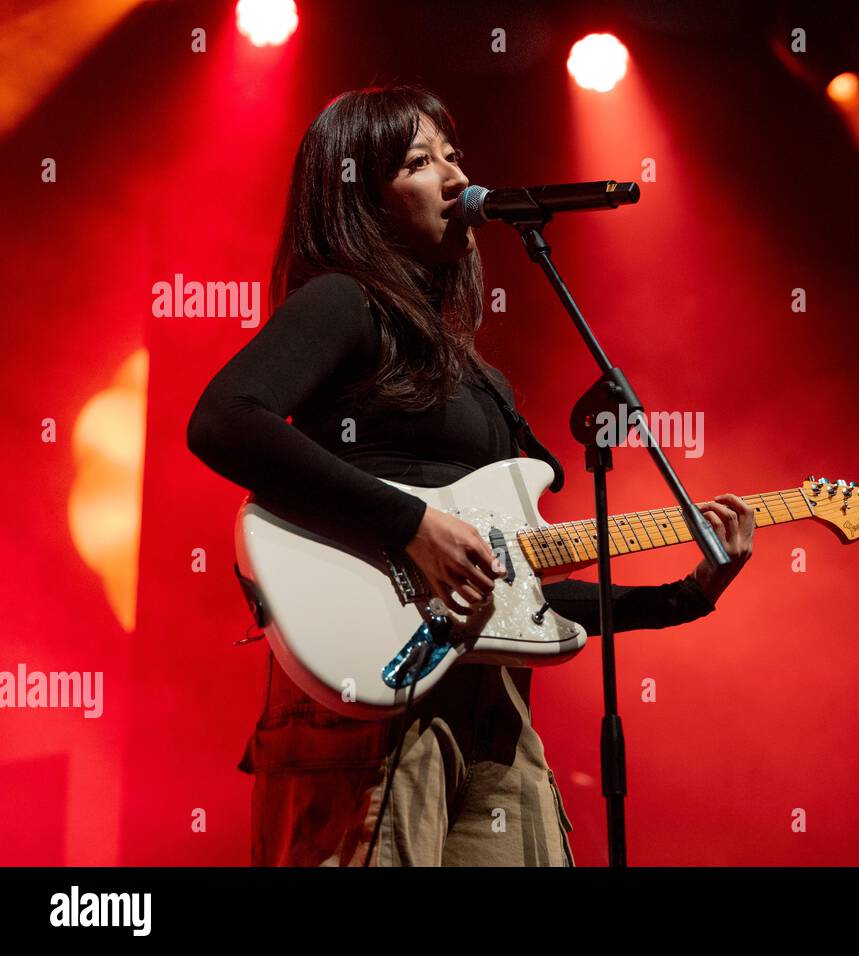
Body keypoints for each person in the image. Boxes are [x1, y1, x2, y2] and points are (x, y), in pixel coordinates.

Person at [186, 85, 755, 866]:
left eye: (454, 155)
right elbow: (224, 420)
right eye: (420, 162)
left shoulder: (478, 378)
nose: (456, 178)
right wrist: (412, 526)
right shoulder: (342, 302)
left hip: (492, 708)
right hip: (363, 690)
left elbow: (518, 591)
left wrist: (686, 596)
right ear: (359, 198)